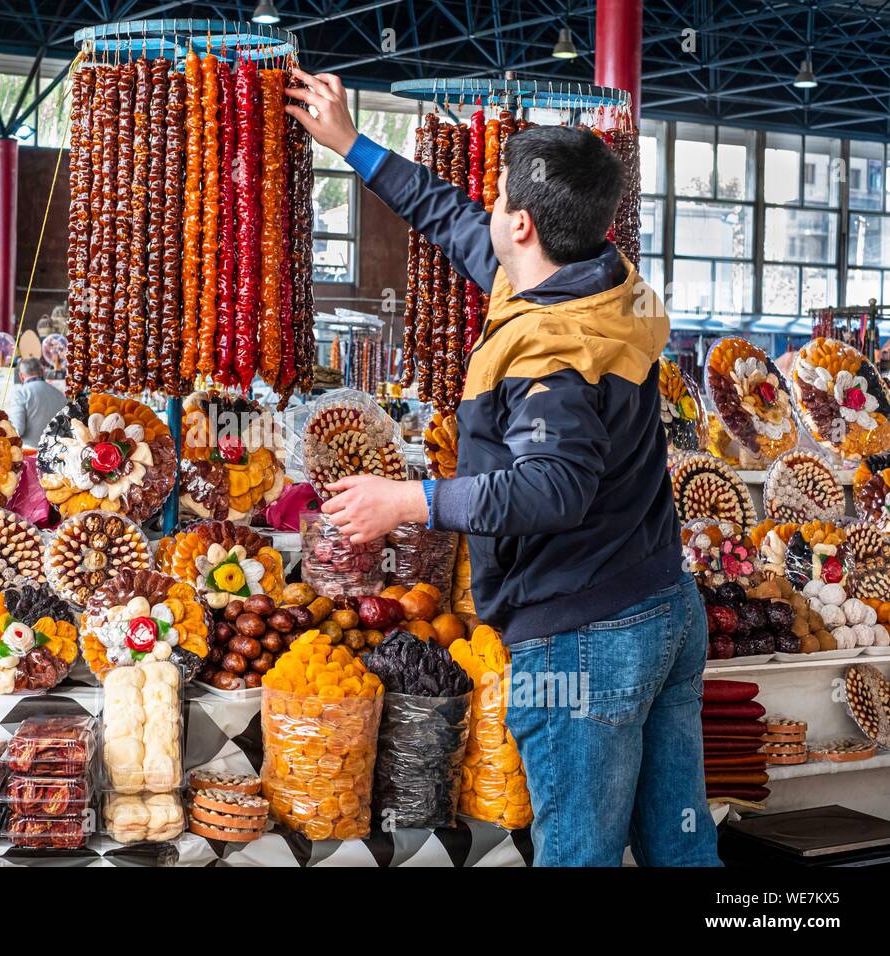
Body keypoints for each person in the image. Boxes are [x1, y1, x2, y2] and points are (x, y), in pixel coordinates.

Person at [286, 69, 720, 868]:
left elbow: (552, 487)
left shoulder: (554, 353)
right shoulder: (600, 288)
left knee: (576, 853)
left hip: (581, 647)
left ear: (521, 224)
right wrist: (351, 144)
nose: (482, 209)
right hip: (665, 610)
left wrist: (407, 500)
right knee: (681, 847)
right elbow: (452, 219)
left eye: (497, 200)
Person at [6, 357, 67, 447]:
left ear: (21, 376)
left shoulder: (21, 394)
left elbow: (18, 430)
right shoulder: (59, 394)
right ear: (42, 372)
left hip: (30, 452)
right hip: (55, 451)